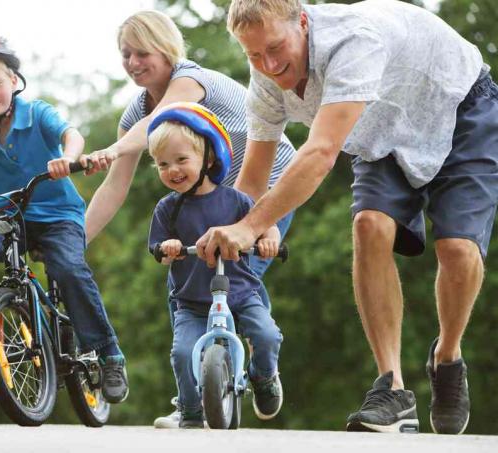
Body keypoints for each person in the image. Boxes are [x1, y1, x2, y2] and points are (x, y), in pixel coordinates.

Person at [197, 0, 498, 434]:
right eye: (254, 55)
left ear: (302, 21)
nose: (268, 63)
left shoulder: (352, 40)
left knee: (456, 248)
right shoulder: (265, 79)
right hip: (378, 127)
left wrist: (251, 226)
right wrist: (226, 228)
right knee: (368, 224)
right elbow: (254, 176)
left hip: (460, 107)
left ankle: (447, 358)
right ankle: (392, 389)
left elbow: (320, 153)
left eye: (276, 47)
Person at [80, 9, 297, 428]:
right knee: (192, 277)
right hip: (204, 202)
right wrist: (78, 241)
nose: (132, 63)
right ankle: (194, 396)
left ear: (166, 49)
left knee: (240, 277)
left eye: (142, 52)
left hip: (264, 186)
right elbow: (114, 188)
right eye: (126, 54)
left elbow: (156, 122)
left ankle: (262, 367)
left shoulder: (190, 79)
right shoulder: (134, 115)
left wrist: (114, 147)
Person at [0, 31, 128, 403]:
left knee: (68, 268)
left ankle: (109, 353)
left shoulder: (37, 113)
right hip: (12, 219)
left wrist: (68, 156)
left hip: (59, 216)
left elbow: (71, 134)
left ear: (13, 81)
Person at [147, 102, 284, 428]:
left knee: (266, 335)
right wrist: (168, 248)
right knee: (183, 354)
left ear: (208, 158)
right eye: (162, 164)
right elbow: (158, 248)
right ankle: (191, 411)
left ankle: (263, 378)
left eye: (181, 160)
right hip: (193, 300)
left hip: (240, 293)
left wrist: (269, 240)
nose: (172, 170)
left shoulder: (235, 200)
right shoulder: (168, 209)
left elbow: (266, 223)